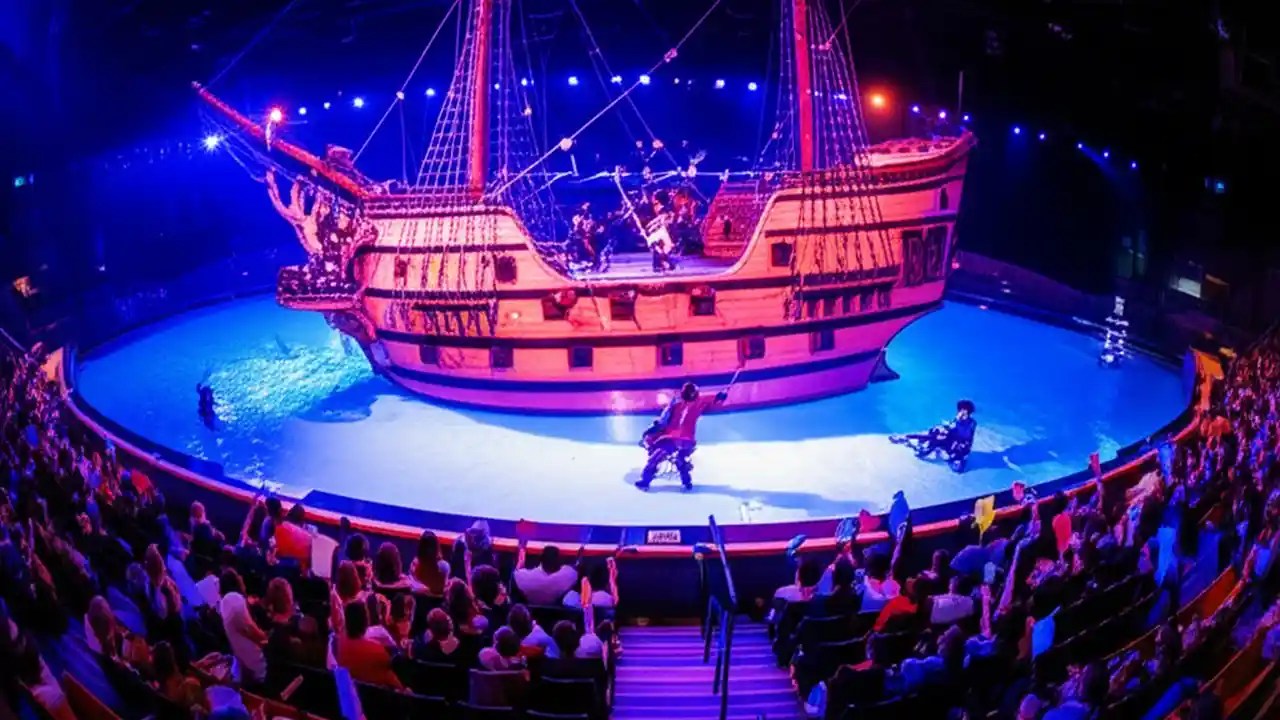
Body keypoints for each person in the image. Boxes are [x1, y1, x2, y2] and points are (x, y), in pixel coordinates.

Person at [637, 381, 730, 490]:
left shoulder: (699, 402)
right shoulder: (676, 404)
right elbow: (664, 418)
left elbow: (714, 400)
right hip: (671, 438)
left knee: (677, 459)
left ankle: (685, 482)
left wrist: (721, 396)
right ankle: (647, 480)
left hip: (685, 439)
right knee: (661, 457)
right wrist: (654, 429)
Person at [890, 399, 977, 459]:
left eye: (964, 411)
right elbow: (951, 428)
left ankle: (920, 444)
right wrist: (946, 430)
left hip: (957, 445)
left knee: (938, 439)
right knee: (935, 433)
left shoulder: (971, 423)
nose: (961, 413)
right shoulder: (958, 419)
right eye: (960, 410)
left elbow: (965, 435)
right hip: (949, 440)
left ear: (969, 412)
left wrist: (953, 430)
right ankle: (910, 438)